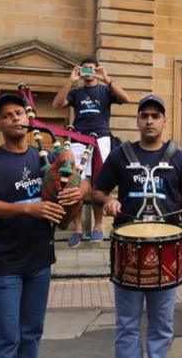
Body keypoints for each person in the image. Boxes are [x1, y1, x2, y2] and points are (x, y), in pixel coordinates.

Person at [0, 93, 84, 358]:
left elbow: (63, 219)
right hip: (3, 263)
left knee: (31, 333)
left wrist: (76, 196)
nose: (15, 119)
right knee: (7, 338)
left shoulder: (47, 160)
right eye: (6, 116)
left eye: (19, 113)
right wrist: (29, 208)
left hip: (39, 261)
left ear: (28, 119)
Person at [92, 95, 182, 358]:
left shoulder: (180, 158)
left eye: (155, 116)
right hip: (128, 248)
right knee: (127, 323)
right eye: (144, 115)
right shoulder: (120, 155)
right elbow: (97, 191)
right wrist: (108, 200)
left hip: (168, 247)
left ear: (164, 121)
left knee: (162, 324)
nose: (149, 120)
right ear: (138, 120)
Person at [53, 57, 131, 248]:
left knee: (99, 182)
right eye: (85, 69)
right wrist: (71, 80)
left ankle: (98, 226)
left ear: (96, 70)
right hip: (79, 139)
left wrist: (107, 79)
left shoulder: (104, 90)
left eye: (91, 69)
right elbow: (57, 104)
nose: (88, 72)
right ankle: (78, 228)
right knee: (74, 181)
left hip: (101, 138)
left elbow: (126, 99)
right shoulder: (76, 92)